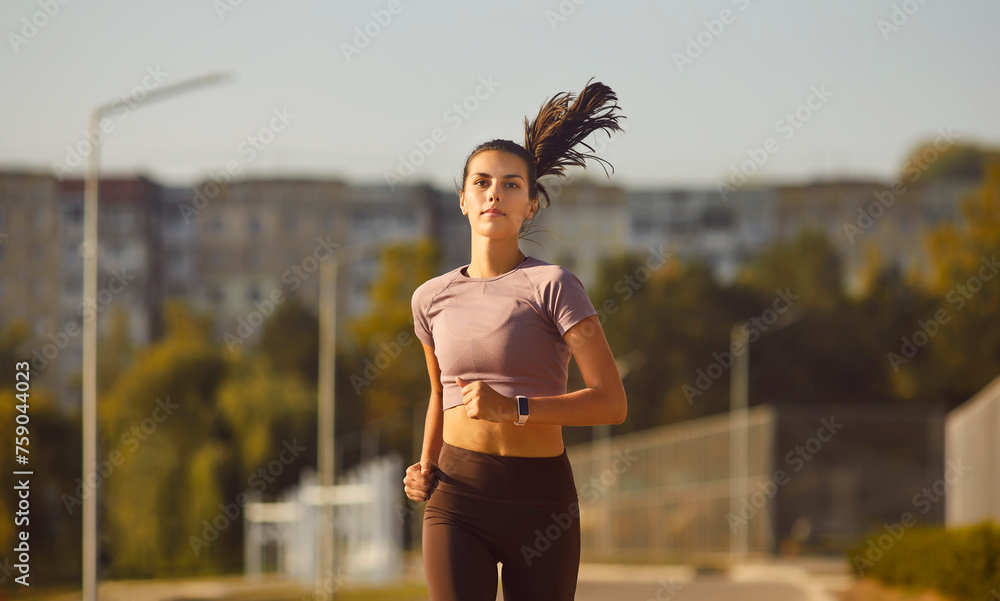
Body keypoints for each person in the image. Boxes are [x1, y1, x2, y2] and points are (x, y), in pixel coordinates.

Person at [403, 79, 627, 601]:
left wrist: (514, 409)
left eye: (510, 185)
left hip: (541, 503)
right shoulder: (429, 298)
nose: (494, 194)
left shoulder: (555, 286)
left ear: (530, 205)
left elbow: (611, 403)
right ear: (463, 200)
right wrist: (425, 465)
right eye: (481, 183)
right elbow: (440, 392)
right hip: (457, 499)